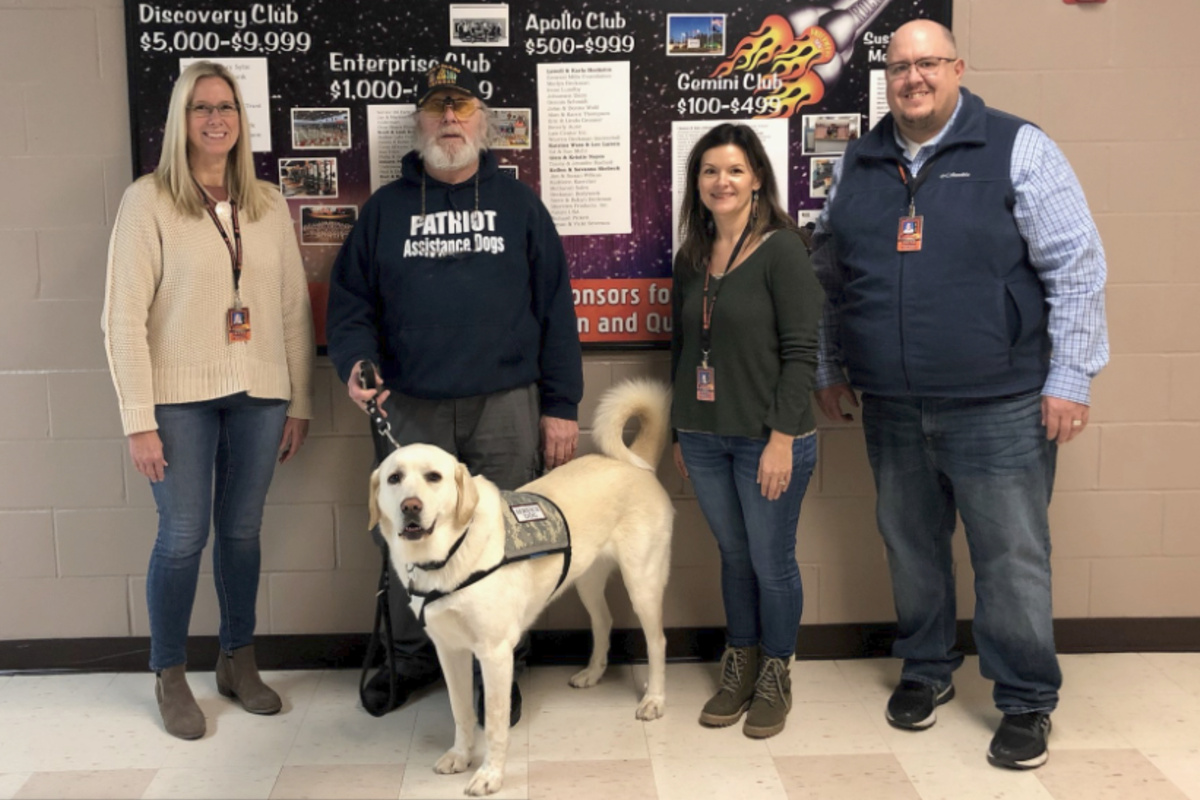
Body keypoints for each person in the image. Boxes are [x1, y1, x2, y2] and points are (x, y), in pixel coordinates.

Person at [811, 20, 1109, 770]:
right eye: (900, 66)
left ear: (957, 68)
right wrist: (829, 364)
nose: (913, 78)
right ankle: (927, 669)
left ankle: (1026, 700)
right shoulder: (861, 159)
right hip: (892, 404)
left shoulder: (1019, 147)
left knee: (1010, 556)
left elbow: (1076, 267)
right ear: (885, 77)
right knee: (911, 547)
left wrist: (1070, 378)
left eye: (928, 64)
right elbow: (829, 276)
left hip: (1001, 403)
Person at [325, 61, 583, 722]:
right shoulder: (384, 211)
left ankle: (504, 664)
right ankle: (412, 658)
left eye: (461, 107)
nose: (449, 120)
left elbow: (556, 310)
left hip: (507, 405)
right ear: (418, 123)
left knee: (503, 542)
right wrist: (355, 362)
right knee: (409, 539)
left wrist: (561, 407)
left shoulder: (521, 206)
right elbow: (350, 307)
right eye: (437, 108)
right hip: (409, 408)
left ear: (483, 122)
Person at [102, 61, 314, 740]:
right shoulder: (149, 202)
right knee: (184, 534)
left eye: (226, 106)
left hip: (260, 395)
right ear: (179, 120)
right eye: (201, 108)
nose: (215, 119)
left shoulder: (269, 204)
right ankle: (169, 671)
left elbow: (291, 311)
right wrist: (139, 421)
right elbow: (122, 319)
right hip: (178, 400)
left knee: (243, 532)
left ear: (241, 119)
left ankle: (237, 658)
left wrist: (300, 399)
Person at [670, 123, 824, 739]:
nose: (722, 181)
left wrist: (783, 439)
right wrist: (682, 433)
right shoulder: (690, 257)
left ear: (757, 177)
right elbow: (681, 349)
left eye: (734, 170)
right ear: (697, 183)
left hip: (769, 439)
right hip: (704, 438)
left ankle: (776, 673)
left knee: (770, 560)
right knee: (734, 557)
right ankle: (741, 662)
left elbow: (801, 351)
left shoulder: (783, 250)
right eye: (710, 171)